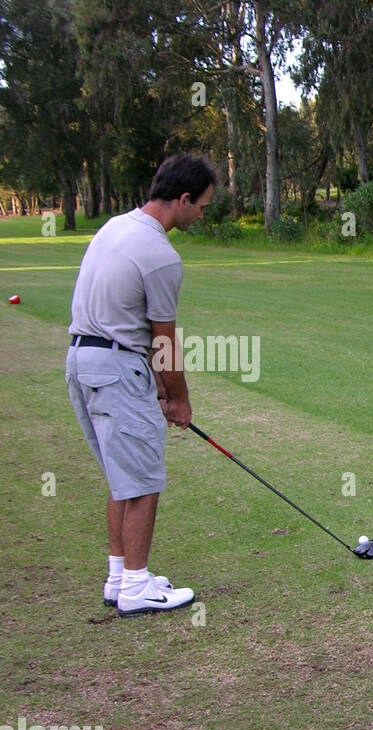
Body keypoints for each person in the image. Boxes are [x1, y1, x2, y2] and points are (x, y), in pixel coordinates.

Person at [66, 154, 216, 616]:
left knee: (123, 476)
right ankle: (135, 587)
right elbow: (164, 341)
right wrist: (180, 400)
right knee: (143, 481)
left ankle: (120, 577)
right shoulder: (161, 254)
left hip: (81, 359)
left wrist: (160, 389)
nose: (204, 214)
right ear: (184, 199)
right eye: (204, 205)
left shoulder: (116, 226)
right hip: (115, 367)